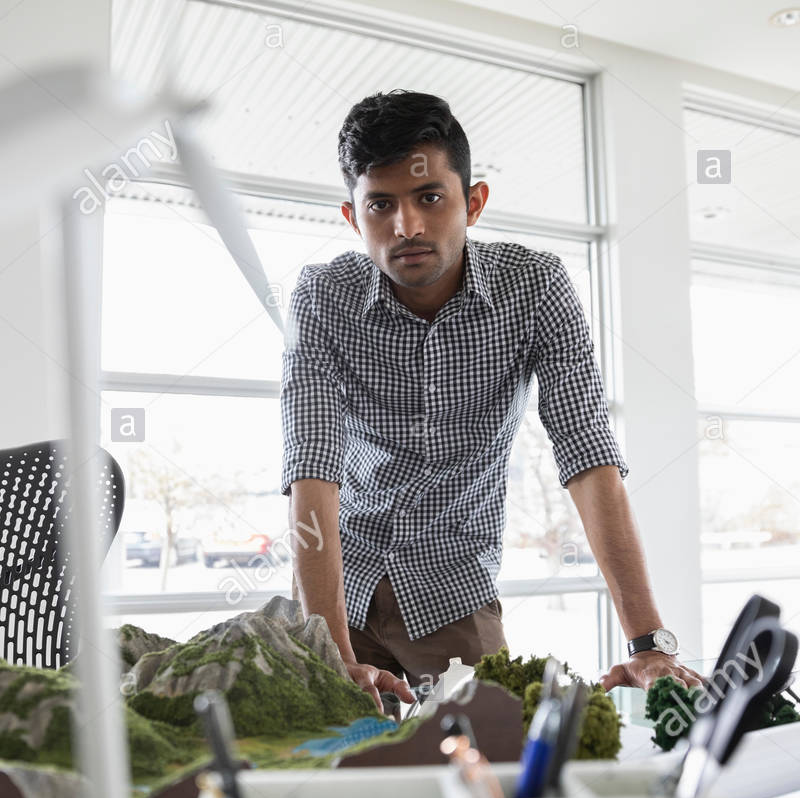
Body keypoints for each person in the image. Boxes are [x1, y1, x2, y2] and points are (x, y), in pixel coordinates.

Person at [280, 90, 705, 712]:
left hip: (452, 588)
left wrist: (649, 642)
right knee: (328, 771)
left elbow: (588, 455)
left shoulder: (535, 287)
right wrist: (332, 655)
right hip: (337, 584)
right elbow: (311, 469)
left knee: (491, 764)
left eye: (429, 198)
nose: (408, 227)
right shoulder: (323, 295)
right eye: (381, 205)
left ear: (472, 202)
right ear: (353, 217)